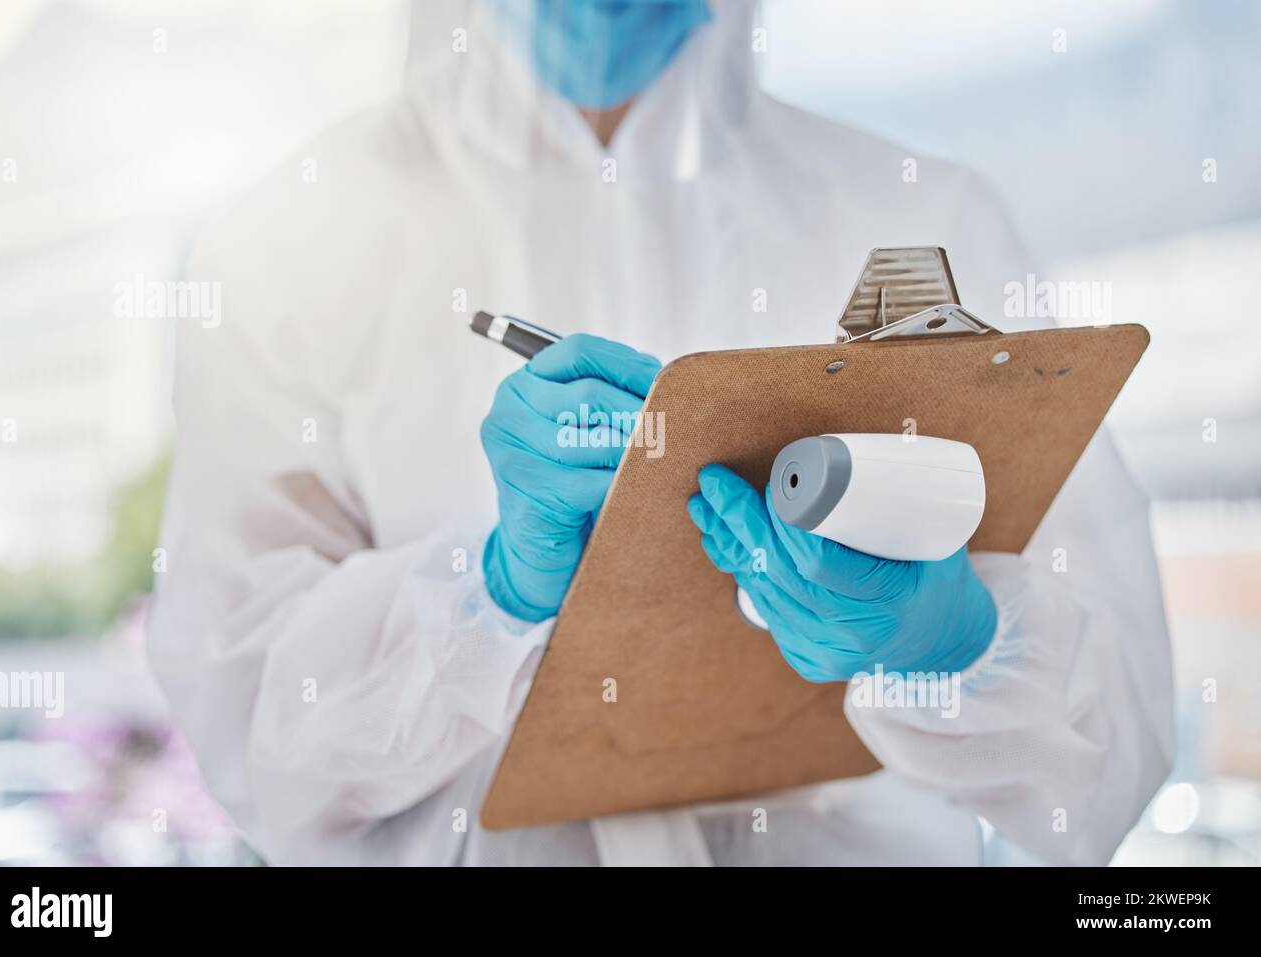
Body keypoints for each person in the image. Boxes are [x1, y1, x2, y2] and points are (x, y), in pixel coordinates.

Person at [148, 0, 1173, 865]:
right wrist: (485, 594)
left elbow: (1110, 758)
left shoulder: (925, 218)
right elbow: (250, 733)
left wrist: (954, 643)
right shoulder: (290, 241)